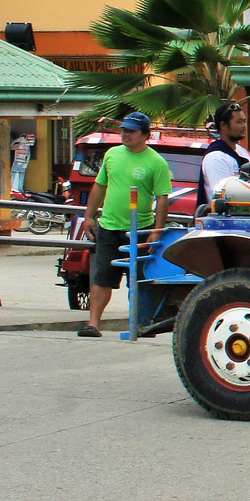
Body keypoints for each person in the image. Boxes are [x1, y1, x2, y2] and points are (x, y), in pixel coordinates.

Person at [78, 112, 171, 337]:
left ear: (145, 135)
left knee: (138, 280)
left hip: (140, 229)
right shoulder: (112, 154)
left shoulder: (156, 162)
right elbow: (100, 186)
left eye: (132, 131)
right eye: (124, 130)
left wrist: (157, 231)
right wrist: (89, 216)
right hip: (109, 227)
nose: (126, 135)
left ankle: (140, 324)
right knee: (102, 277)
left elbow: (162, 199)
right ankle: (93, 323)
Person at [197, 101, 250, 207]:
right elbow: (222, 195)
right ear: (223, 125)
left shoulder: (242, 152)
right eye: (239, 122)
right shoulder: (216, 157)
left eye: (244, 121)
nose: (244, 126)